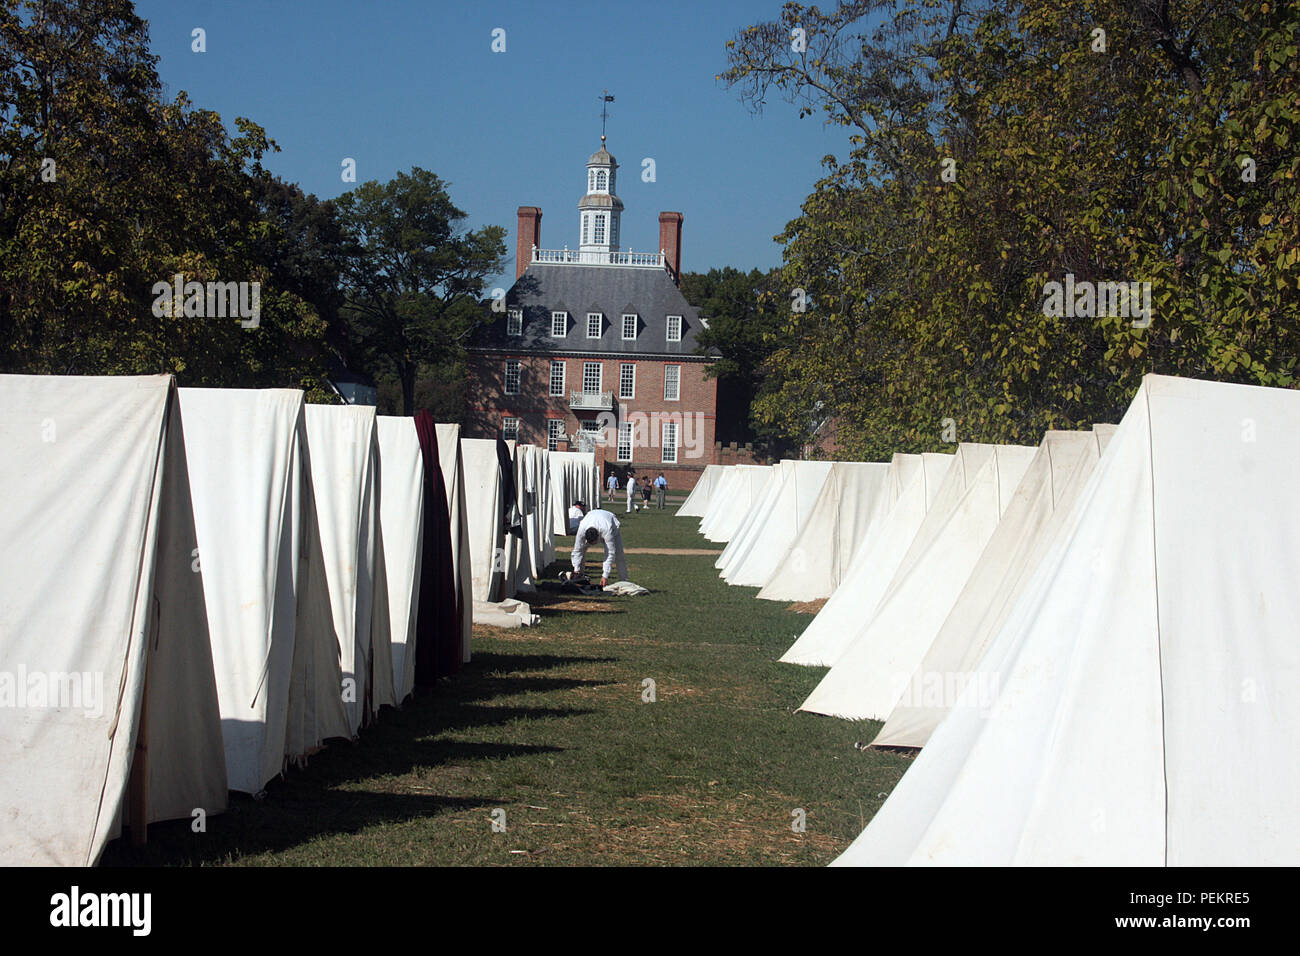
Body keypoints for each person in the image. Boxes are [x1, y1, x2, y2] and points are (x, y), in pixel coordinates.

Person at [571, 508, 628, 586]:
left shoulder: (607, 530)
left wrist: (605, 576)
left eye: (594, 542)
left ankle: (624, 580)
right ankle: (579, 576)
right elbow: (577, 550)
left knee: (619, 554)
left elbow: (610, 553)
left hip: (609, 520)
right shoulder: (581, 530)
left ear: (598, 536)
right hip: (591, 517)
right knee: (582, 549)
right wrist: (576, 569)